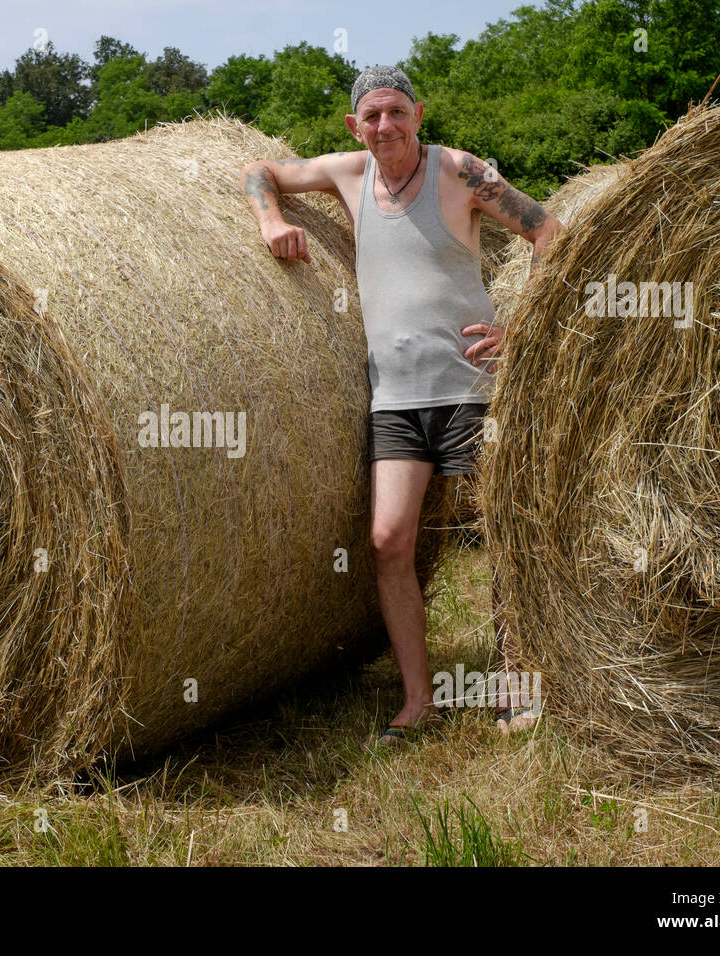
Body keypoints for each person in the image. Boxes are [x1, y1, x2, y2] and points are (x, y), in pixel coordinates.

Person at [239, 65, 561, 743]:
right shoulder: (347, 173)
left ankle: (514, 681)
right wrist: (270, 219)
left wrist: (521, 324)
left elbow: (550, 233)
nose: (384, 126)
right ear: (355, 127)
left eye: (396, 113)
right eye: (371, 117)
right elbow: (259, 169)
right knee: (389, 541)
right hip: (396, 397)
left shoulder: (461, 172)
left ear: (418, 114)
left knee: (503, 531)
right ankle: (420, 701)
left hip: (472, 385)